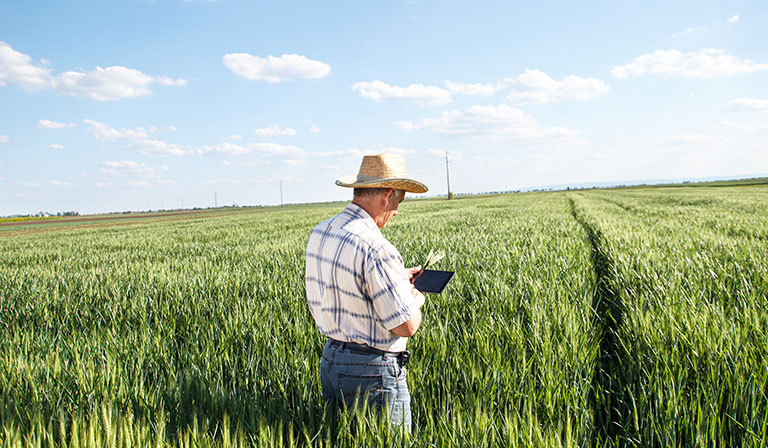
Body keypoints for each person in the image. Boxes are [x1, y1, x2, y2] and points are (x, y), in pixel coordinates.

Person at [305, 153, 428, 432]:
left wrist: (396, 278)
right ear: (387, 194)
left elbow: (344, 284)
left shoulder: (321, 232)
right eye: (400, 199)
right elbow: (405, 325)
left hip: (330, 362)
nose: (398, 209)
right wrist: (413, 299)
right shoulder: (375, 246)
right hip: (372, 373)